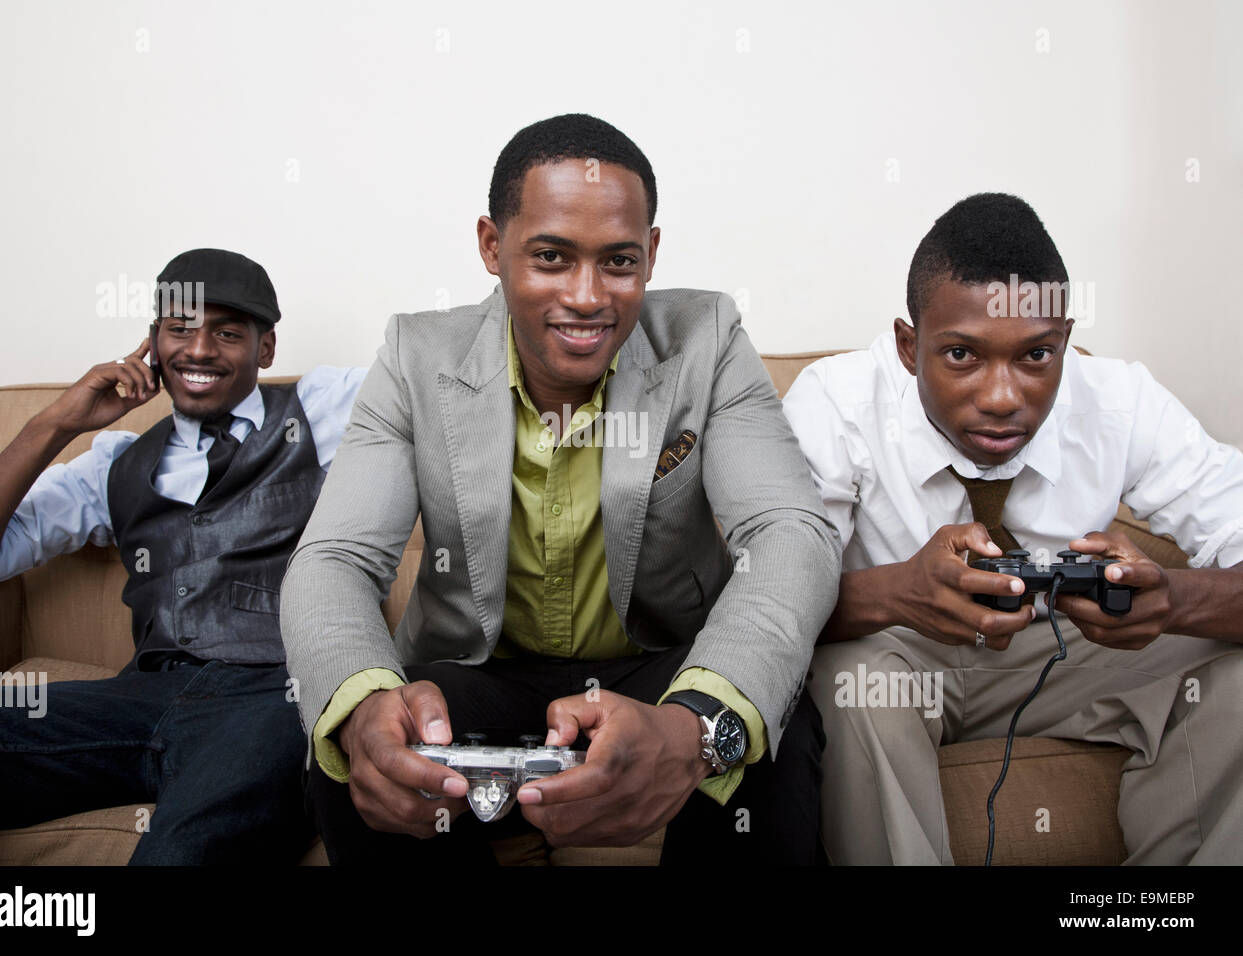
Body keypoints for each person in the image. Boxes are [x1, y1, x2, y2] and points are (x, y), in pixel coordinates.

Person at [281, 113, 841, 865]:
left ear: (652, 253)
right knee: (357, 743)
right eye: (550, 257)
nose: (587, 297)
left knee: (767, 717)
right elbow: (333, 561)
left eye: (618, 262)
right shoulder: (416, 356)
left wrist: (695, 726)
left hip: (658, 668)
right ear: (492, 246)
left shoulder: (707, 339)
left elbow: (790, 534)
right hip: (475, 677)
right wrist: (360, 703)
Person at [783, 192, 1243, 864]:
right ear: (910, 348)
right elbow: (767, 606)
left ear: (1063, 339)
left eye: (1035, 356)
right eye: (963, 356)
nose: (1003, 398)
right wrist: (899, 594)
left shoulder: (1121, 401)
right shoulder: (836, 403)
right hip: (903, 654)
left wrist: (1175, 598)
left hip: (1060, 655)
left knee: (1231, 670)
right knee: (860, 682)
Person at [0, 249, 366, 864]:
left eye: (227, 332)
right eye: (180, 328)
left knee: (184, 852)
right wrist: (54, 426)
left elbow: (450, 367)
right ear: (151, 342)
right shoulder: (114, 465)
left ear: (265, 348)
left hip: (277, 694)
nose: (199, 350)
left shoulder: (325, 408)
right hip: (138, 698)